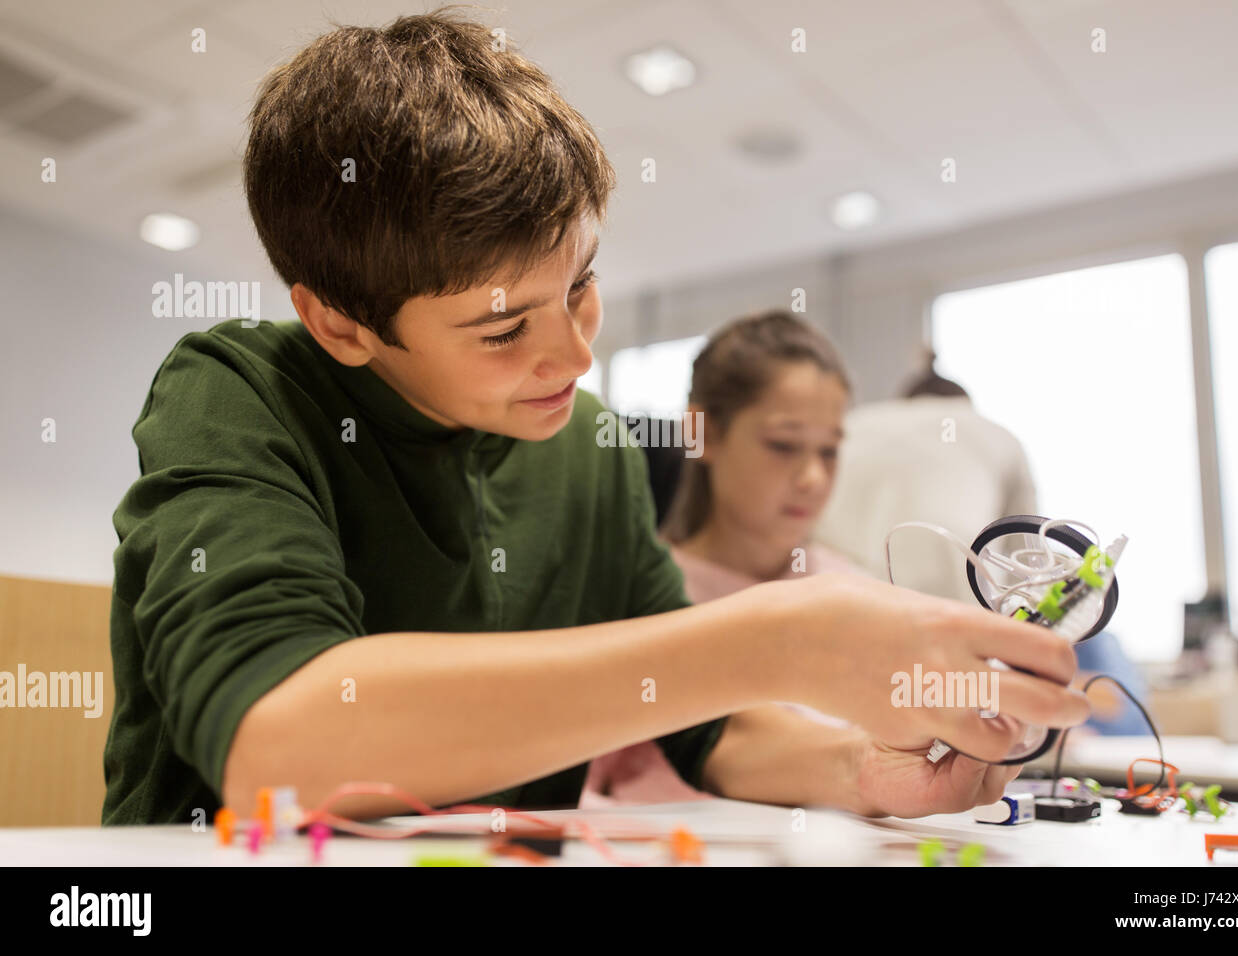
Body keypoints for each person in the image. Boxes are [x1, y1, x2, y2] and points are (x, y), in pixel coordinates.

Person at [103, 10, 1087, 827]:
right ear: (340, 322)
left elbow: (704, 727)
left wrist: (862, 767)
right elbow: (279, 746)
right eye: (499, 331)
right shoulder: (238, 393)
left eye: (581, 285)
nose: (573, 357)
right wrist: (775, 639)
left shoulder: (589, 447)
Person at [581, 310, 862, 806]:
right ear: (702, 433)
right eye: (783, 445)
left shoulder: (857, 592)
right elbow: (577, 789)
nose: (813, 478)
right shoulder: (643, 596)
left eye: (830, 451)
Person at [815, 348, 1038, 604]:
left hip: (841, 595)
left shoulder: (857, 422)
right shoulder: (997, 434)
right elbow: (1028, 553)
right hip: (954, 600)